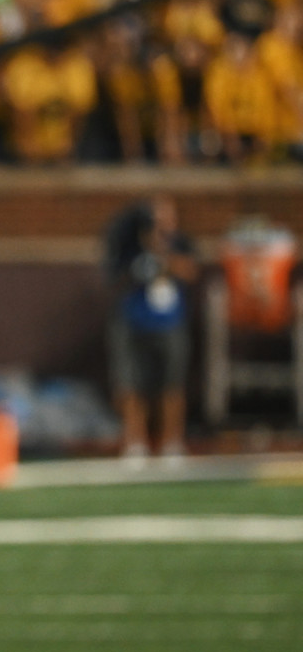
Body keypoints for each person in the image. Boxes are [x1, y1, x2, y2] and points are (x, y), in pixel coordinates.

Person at [104, 195, 199, 461]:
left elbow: (190, 271)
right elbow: (113, 275)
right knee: (132, 385)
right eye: (156, 217)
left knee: (172, 384)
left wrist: (162, 254)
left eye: (166, 217)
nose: (161, 223)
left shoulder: (180, 243)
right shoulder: (129, 242)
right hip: (133, 321)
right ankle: (135, 443)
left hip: (170, 322)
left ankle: (172, 442)